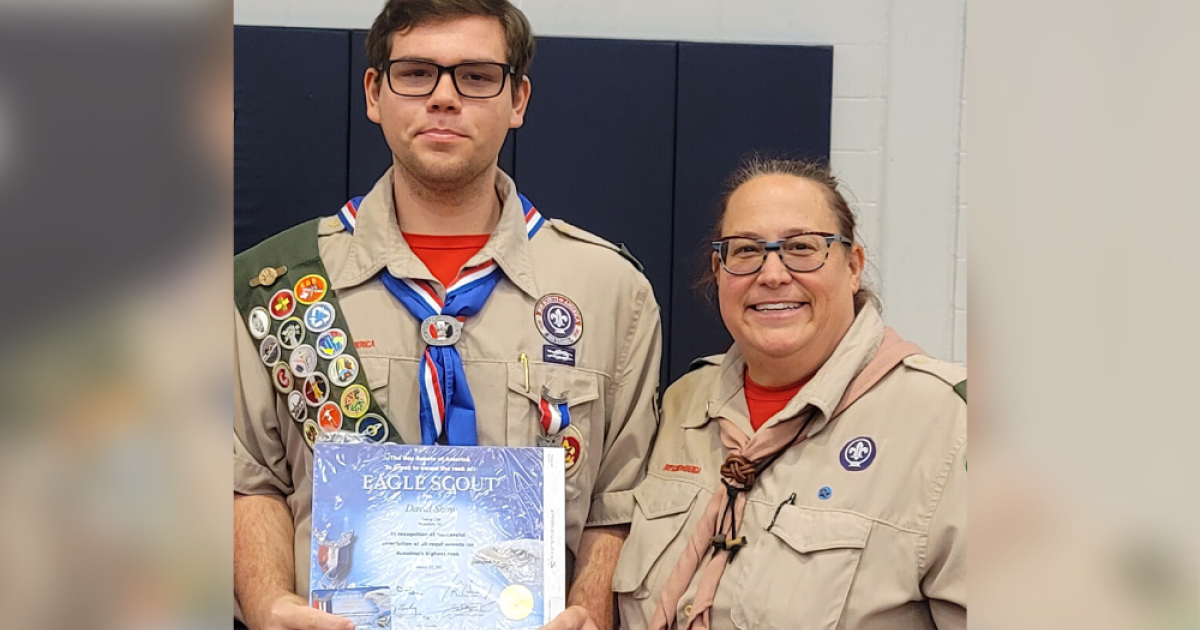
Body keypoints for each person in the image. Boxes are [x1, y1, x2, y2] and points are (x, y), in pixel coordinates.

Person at [232, 2, 662, 629]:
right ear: (375, 93)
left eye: (477, 76)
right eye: (416, 73)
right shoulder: (281, 284)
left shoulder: (610, 293)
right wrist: (267, 604)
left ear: (517, 100)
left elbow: (616, 502)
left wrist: (590, 616)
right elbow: (249, 477)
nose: (443, 98)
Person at [604, 157, 965, 630]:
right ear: (719, 271)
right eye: (746, 251)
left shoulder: (947, 423)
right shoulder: (683, 405)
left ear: (853, 266)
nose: (772, 274)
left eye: (801, 247)